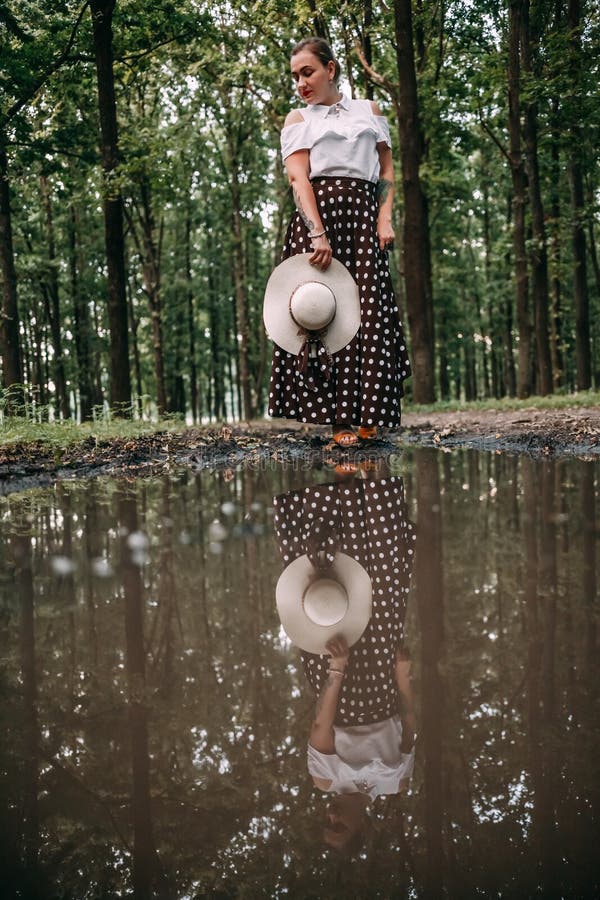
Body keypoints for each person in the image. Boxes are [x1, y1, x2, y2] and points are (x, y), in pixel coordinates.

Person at [268, 37, 411, 446]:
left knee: (367, 313)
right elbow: (299, 179)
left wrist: (384, 218)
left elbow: (385, 169)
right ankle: (337, 422)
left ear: (330, 69)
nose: (300, 83)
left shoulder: (369, 111)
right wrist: (317, 232)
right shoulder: (298, 120)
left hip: (364, 222)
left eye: (307, 72)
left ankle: (369, 416)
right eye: (295, 76)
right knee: (326, 316)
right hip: (320, 224)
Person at [273, 473, 416, 851]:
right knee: (381, 588)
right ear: (362, 828)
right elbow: (409, 726)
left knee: (331, 598)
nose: (332, 817)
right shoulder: (396, 782)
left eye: (327, 823)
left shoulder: (325, 780)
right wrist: (403, 679)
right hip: (383, 677)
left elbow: (322, 724)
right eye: (339, 827)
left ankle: (328, 490)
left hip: (338, 681)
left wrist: (337, 668)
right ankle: (368, 482)